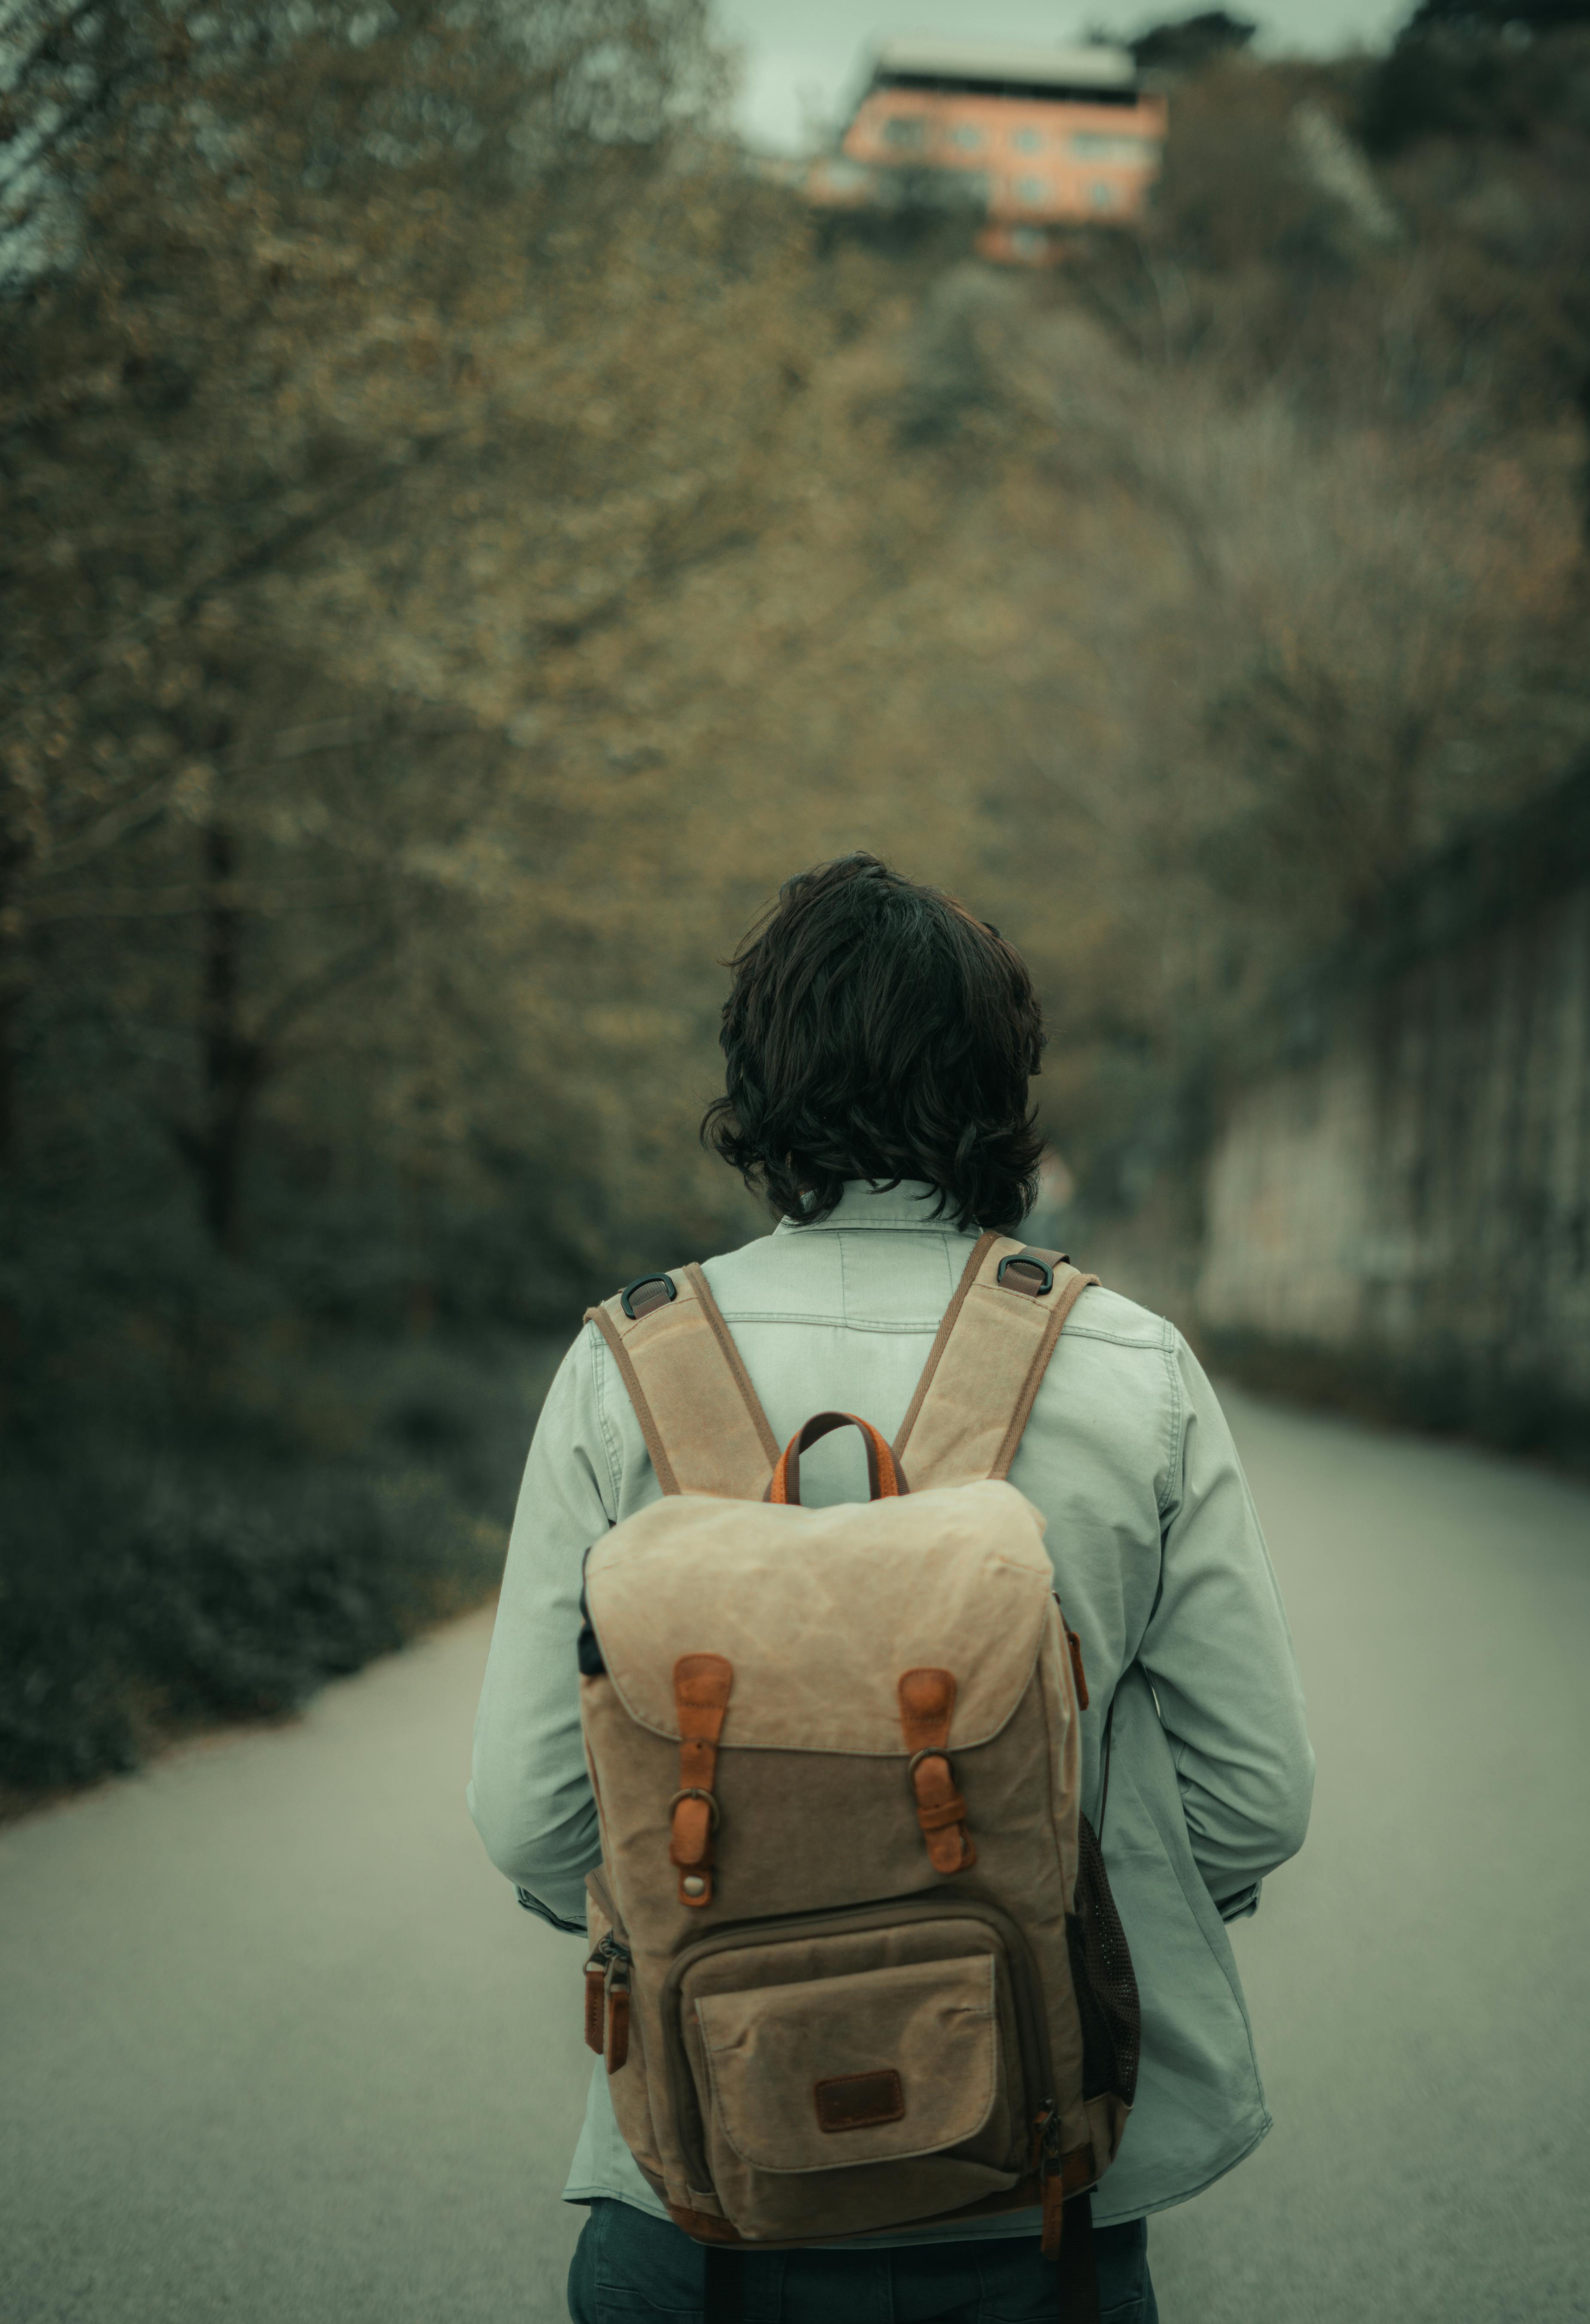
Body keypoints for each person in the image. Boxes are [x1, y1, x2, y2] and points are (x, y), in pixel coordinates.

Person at [469, 852, 1314, 2324]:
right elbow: (1256, 1803)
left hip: (699, 2199)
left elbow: (533, 1816)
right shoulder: (1133, 1369)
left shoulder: (625, 1367)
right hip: (1041, 2206)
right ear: (1004, 1083)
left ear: (761, 1081)